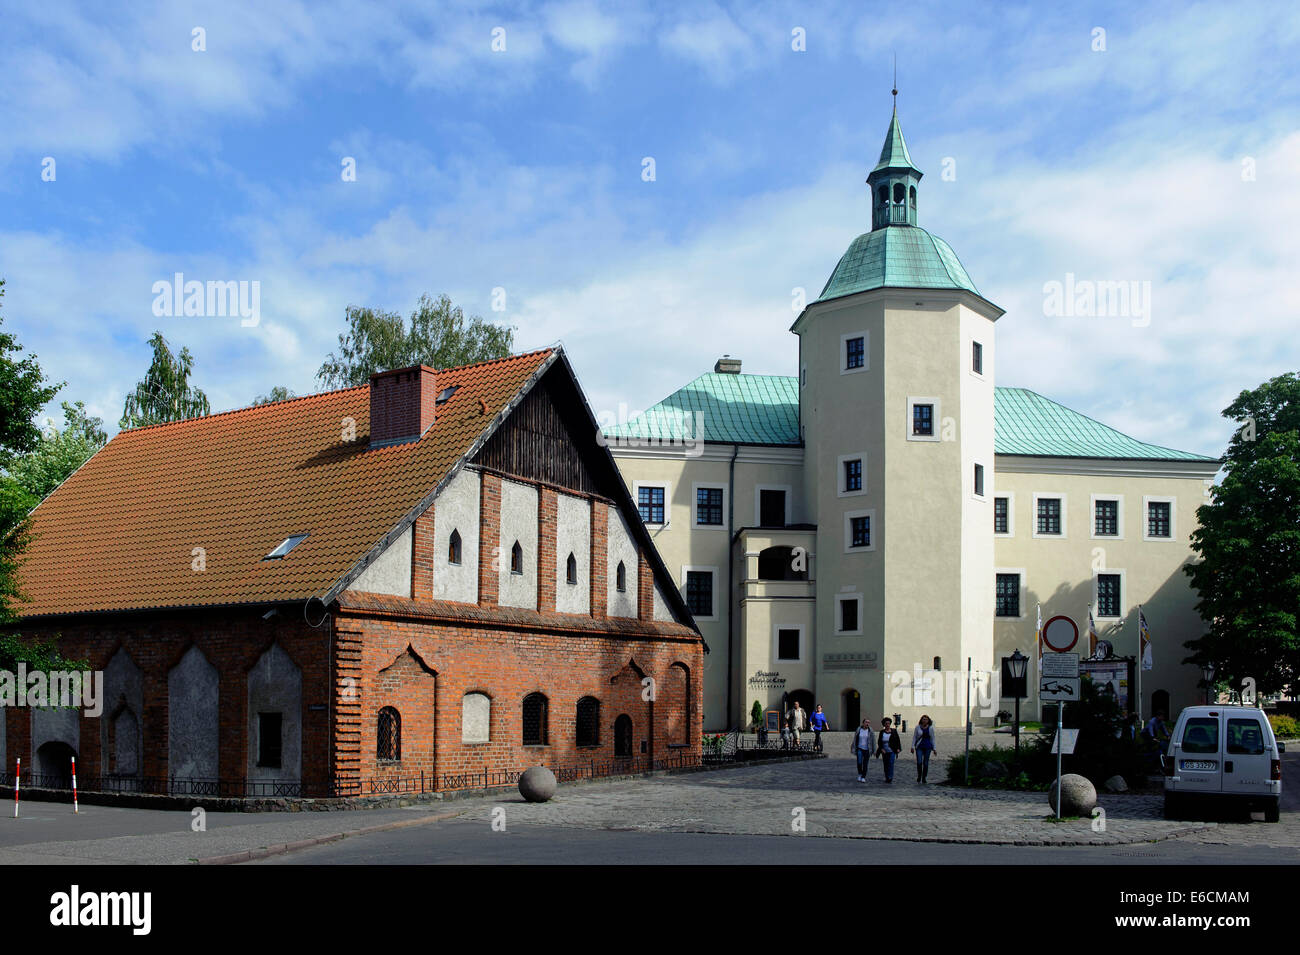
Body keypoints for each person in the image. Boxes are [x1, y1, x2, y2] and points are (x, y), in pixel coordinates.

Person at [911, 714, 937, 783]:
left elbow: (933, 738)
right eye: (923, 719)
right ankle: (919, 775)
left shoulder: (930, 728)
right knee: (919, 762)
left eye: (926, 719)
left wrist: (934, 748)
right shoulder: (917, 727)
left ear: (928, 721)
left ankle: (924, 777)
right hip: (919, 746)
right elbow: (914, 737)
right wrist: (912, 746)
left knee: (925, 763)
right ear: (921, 720)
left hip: (927, 746)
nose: (924, 720)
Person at [876, 717, 902, 783]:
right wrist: (881, 749)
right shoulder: (882, 732)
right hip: (884, 751)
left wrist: (898, 748)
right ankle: (887, 776)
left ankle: (890, 777)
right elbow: (879, 742)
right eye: (886, 724)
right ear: (884, 725)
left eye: (888, 723)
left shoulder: (894, 731)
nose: (887, 725)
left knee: (891, 763)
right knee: (886, 764)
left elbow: (898, 740)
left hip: (892, 750)